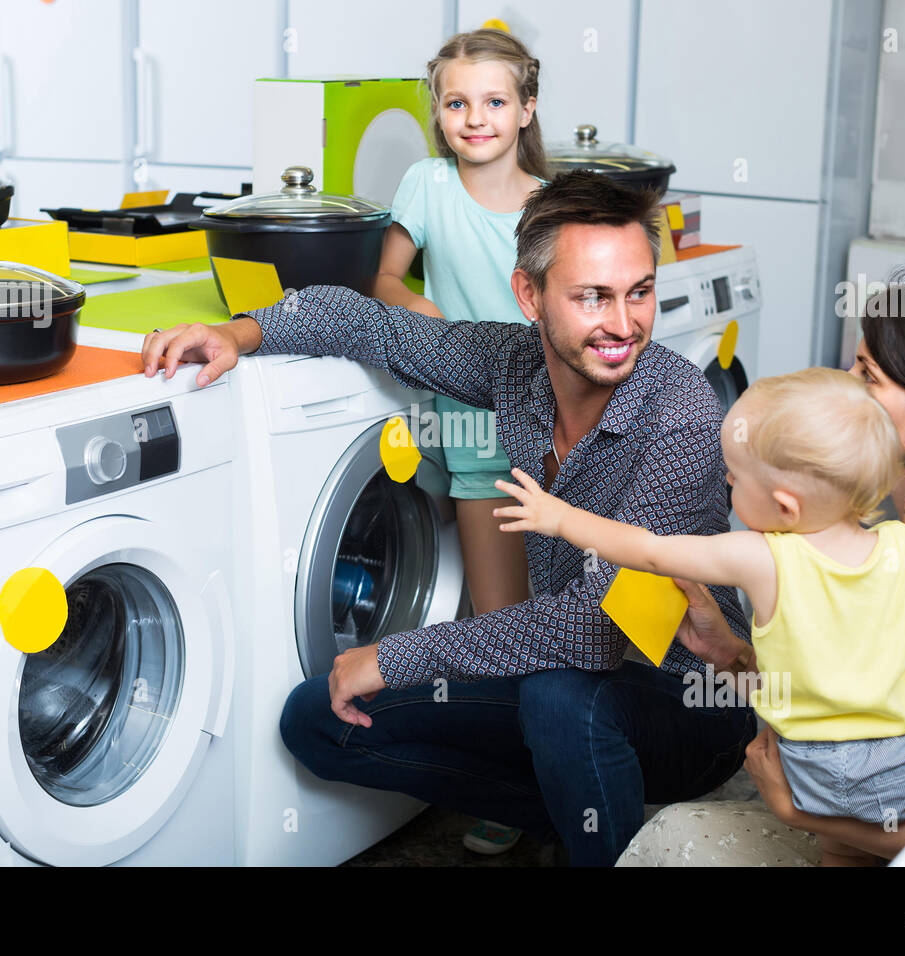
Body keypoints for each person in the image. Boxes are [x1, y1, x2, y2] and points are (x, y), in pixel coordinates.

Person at [140, 171, 756, 867]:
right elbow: (367, 323)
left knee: (560, 697)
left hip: (689, 702)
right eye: (592, 297)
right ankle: (576, 813)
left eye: (638, 293)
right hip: (568, 686)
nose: (623, 324)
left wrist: (395, 655)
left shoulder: (679, 411)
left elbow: (594, 627)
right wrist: (239, 332)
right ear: (530, 294)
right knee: (315, 722)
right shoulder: (513, 364)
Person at [491, 366, 905, 865]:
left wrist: (560, 518)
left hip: (820, 775)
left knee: (839, 848)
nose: (726, 481)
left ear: (786, 507)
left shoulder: (763, 558)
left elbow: (650, 551)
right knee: (874, 844)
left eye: (736, 477)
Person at [618, 276, 905, 866]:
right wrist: (732, 654)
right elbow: (849, 702)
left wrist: (796, 813)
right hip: (873, 821)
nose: (841, 385)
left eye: (868, 375)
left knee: (676, 838)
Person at [372, 28, 550, 854]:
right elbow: (385, 279)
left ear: (525, 109)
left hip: (551, 425)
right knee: (500, 614)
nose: (474, 117)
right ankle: (514, 792)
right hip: (472, 425)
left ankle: (570, 769)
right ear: (438, 112)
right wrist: (415, 311)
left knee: (572, 613)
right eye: (456, 103)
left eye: (493, 101)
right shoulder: (426, 184)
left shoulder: (553, 206)